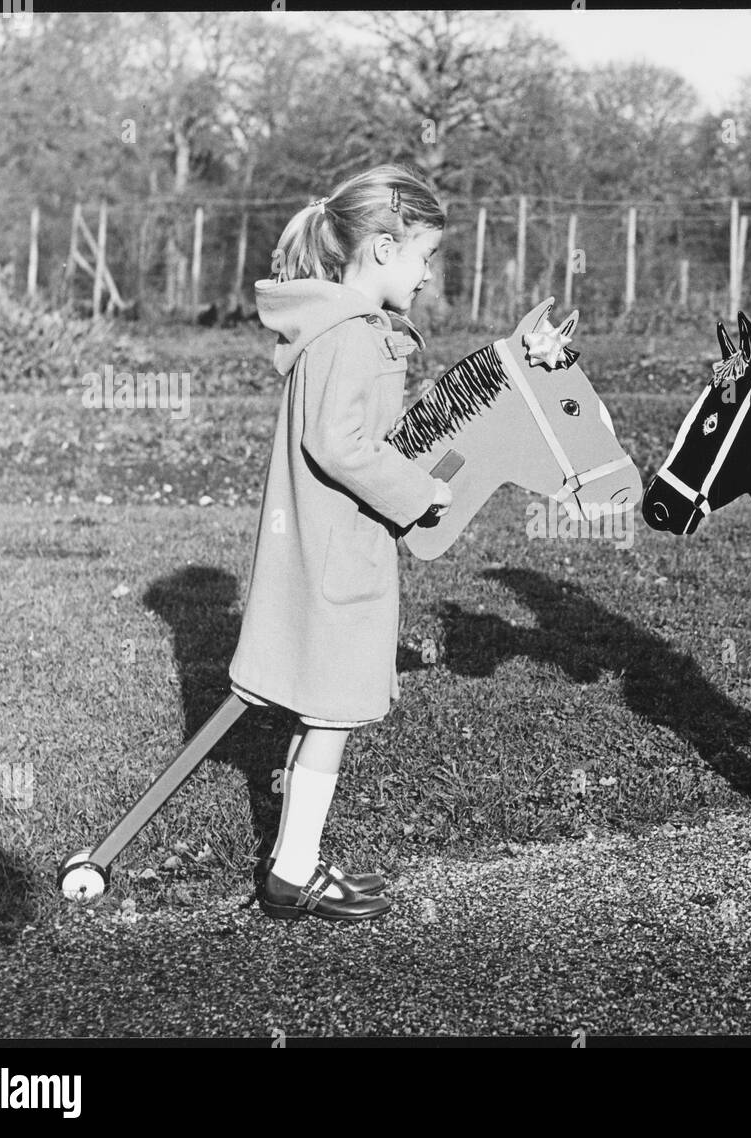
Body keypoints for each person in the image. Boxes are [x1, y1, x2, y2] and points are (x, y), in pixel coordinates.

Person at [230, 164, 453, 920]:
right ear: (385, 249)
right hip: (337, 554)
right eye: (424, 257)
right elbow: (340, 443)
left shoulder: (333, 327)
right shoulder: (353, 333)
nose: (426, 276)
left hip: (322, 543)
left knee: (319, 716)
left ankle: (296, 862)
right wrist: (421, 493)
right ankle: (292, 876)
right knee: (330, 718)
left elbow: (351, 432)